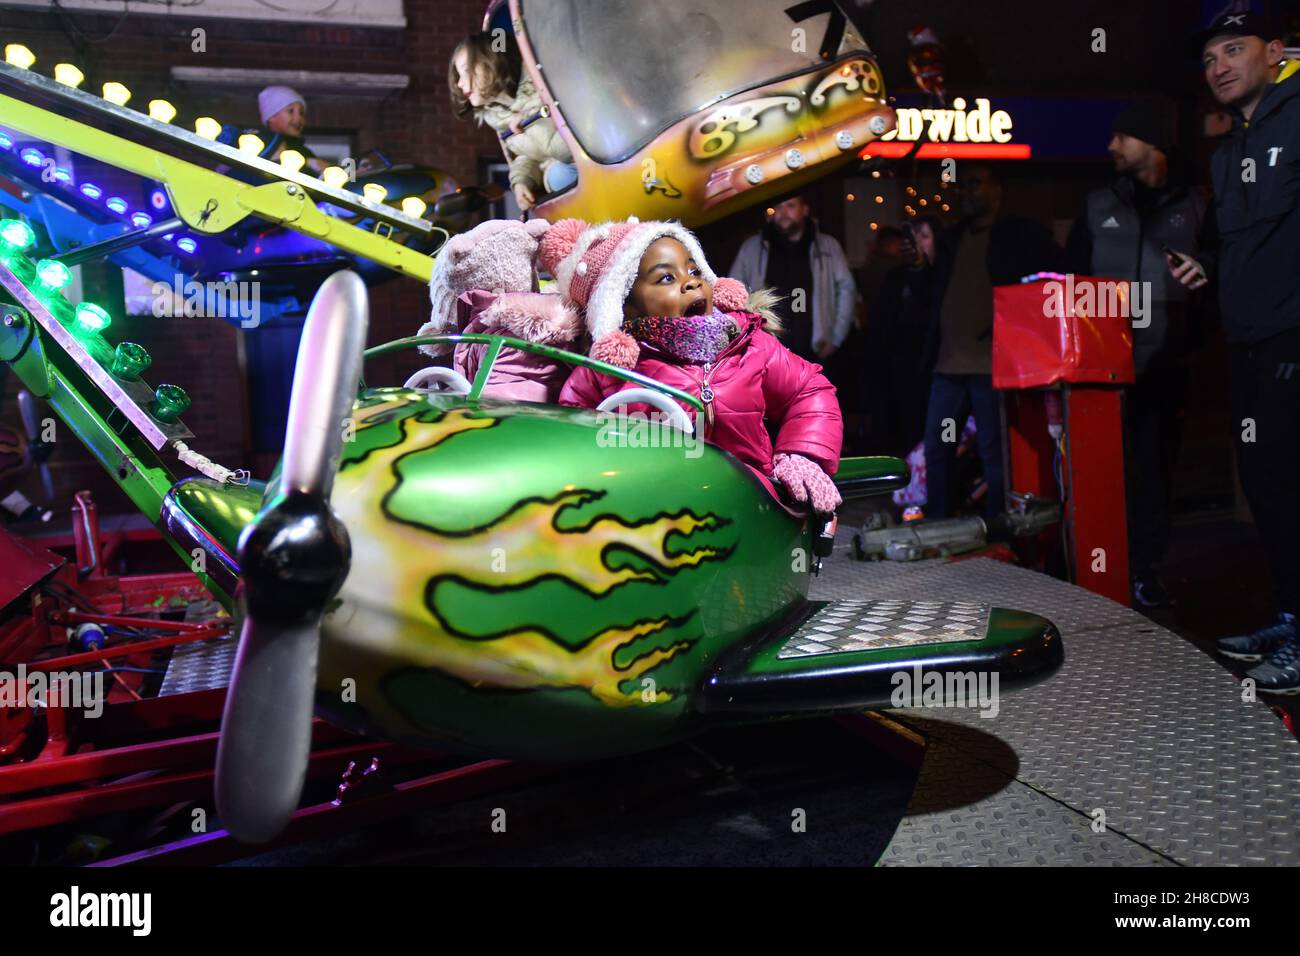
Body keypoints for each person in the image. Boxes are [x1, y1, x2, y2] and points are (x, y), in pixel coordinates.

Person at [1170, 12, 1300, 692]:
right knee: (1267, 484)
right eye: (1209, 57)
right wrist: (1208, 266)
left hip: (1292, 336)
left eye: (1233, 49)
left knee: (1289, 480)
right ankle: (1291, 613)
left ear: (1274, 52)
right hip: (1246, 340)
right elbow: (1236, 243)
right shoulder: (1227, 152)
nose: (1218, 65)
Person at [548, 217, 843, 513]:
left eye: (694, 270)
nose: (691, 282)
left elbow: (808, 390)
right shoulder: (611, 369)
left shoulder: (749, 344)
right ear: (624, 305)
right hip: (656, 517)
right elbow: (572, 428)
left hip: (751, 509)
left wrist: (803, 454)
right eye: (666, 278)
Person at [1066, 97, 1210, 609]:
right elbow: (1072, 278)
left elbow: (1216, 277)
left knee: (1152, 472)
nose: (1111, 146)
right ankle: (1098, 570)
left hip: (1164, 365)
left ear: (1152, 142)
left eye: (1122, 136)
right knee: (1102, 470)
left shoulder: (1198, 205)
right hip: (1103, 368)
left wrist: (1189, 342)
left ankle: (1143, 572)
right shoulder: (1097, 204)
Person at [920, 163, 1062, 519]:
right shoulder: (953, 239)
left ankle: (999, 529)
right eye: (962, 185)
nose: (964, 192)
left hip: (991, 366)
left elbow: (1052, 279)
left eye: (974, 184)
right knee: (938, 448)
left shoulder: (1017, 235)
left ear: (996, 190)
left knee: (994, 452)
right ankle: (940, 523)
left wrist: (1014, 327)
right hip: (949, 364)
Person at [449, 32, 577, 212]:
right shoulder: (501, 120)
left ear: (492, 62)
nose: (460, 83)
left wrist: (530, 115)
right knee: (558, 175)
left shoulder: (549, 83)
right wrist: (521, 181)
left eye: (465, 70)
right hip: (573, 180)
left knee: (559, 174)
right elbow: (529, 154)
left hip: (597, 161)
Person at [727, 195, 859, 366]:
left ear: (805, 210)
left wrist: (835, 339)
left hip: (814, 351)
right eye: (779, 207)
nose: (784, 213)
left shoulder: (828, 246)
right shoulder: (752, 247)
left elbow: (847, 290)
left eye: (790, 206)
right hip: (766, 353)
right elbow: (734, 292)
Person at [873, 216, 940, 458]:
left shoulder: (942, 276)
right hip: (901, 364)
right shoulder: (895, 276)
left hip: (936, 364)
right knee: (907, 425)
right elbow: (882, 322)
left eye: (924, 236)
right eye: (912, 237)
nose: (915, 242)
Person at [220, 86, 328, 175]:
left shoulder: (305, 151)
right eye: (291, 111)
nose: (298, 118)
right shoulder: (259, 139)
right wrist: (307, 163)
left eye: (301, 113)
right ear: (271, 116)